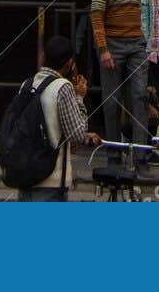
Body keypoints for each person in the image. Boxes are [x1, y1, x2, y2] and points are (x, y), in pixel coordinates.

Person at [17, 34, 99, 201]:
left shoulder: (26, 84)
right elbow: (76, 133)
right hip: (50, 181)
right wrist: (79, 98)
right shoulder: (63, 87)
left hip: (25, 175)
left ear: (43, 57)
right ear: (69, 64)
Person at [90, 0, 149, 152]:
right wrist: (103, 49)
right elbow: (96, 13)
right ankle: (114, 153)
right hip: (112, 44)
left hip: (136, 44)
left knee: (140, 96)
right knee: (112, 101)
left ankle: (141, 153)